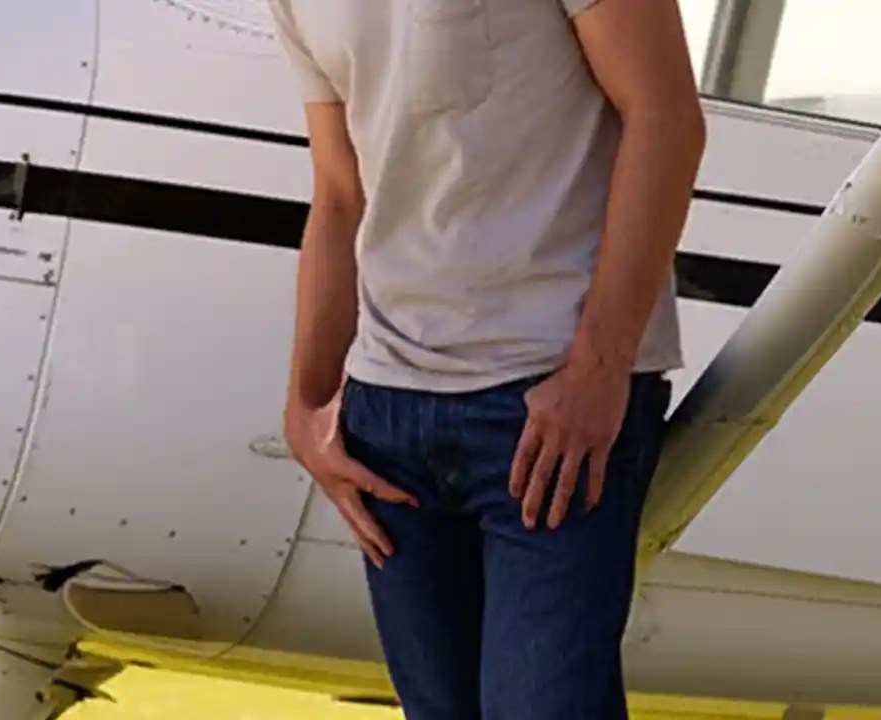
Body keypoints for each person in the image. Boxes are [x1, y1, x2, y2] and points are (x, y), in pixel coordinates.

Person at [270, 0, 706, 717]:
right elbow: (340, 193)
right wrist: (306, 406)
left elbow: (665, 119)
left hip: (544, 408)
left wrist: (597, 372)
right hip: (387, 421)